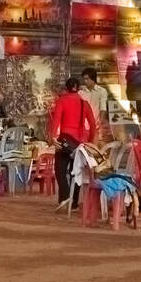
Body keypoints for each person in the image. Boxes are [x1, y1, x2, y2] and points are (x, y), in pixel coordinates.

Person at [49, 76, 97, 205]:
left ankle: (64, 198)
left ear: (66, 88)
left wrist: (53, 137)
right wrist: (90, 141)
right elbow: (92, 125)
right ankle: (74, 202)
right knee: (76, 171)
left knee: (60, 169)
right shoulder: (84, 103)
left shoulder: (62, 101)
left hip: (65, 140)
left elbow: (56, 120)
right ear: (79, 89)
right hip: (80, 143)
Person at [78, 68, 109, 141]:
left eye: (87, 79)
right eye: (84, 79)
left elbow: (103, 108)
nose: (85, 81)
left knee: (94, 147)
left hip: (96, 125)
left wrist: (100, 122)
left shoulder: (102, 91)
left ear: (93, 79)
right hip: (83, 127)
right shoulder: (81, 92)